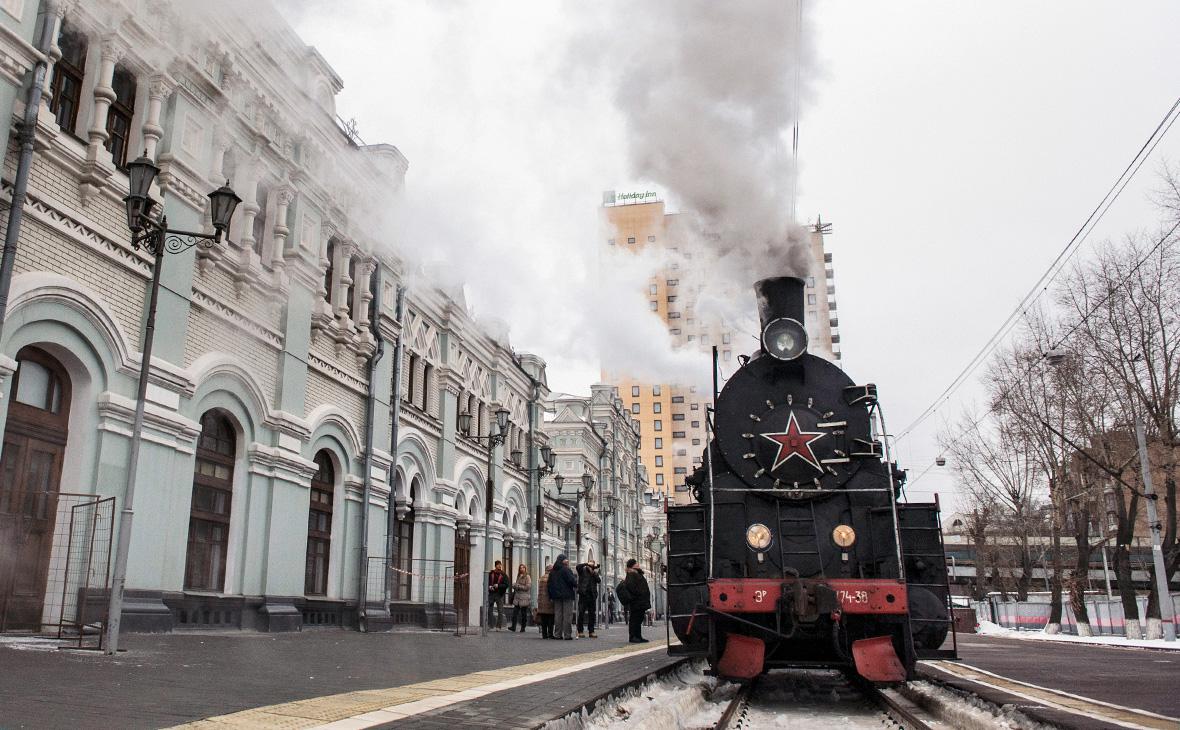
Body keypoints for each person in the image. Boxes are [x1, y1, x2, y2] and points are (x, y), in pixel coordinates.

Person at [619, 558, 651, 643]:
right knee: (635, 619)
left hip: (641, 601)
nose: (638, 564)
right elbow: (631, 586)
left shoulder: (637, 573)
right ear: (632, 565)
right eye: (636, 563)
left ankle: (638, 636)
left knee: (639, 618)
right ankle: (633, 637)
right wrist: (639, 593)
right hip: (636, 601)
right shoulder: (631, 574)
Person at [547, 554, 578, 640]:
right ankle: (567, 635)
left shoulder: (552, 571)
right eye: (566, 559)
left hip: (556, 596)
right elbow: (572, 580)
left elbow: (549, 584)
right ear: (563, 561)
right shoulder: (566, 570)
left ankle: (557, 634)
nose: (567, 561)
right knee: (567, 615)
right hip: (567, 595)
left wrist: (551, 595)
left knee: (558, 615)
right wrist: (576, 584)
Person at [575, 560, 601, 638]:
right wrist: (586, 564)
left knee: (592, 614)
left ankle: (591, 631)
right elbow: (577, 567)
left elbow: (599, 580)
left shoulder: (594, 573)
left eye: (592, 565)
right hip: (583, 595)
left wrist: (593, 572)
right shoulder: (582, 570)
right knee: (581, 613)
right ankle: (580, 631)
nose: (591, 567)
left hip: (592, 595)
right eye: (590, 565)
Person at [487, 560, 509, 631]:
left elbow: (506, 585)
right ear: (495, 565)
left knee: (500, 610)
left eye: (500, 565)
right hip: (491, 593)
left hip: (499, 594)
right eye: (498, 564)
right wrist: (489, 586)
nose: (499, 566)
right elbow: (487, 581)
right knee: (489, 610)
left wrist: (498, 585)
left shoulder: (503, 574)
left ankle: (498, 626)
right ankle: (490, 625)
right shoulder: (491, 573)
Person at [509, 564, 532, 632]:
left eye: (523, 568)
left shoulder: (527, 577)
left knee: (523, 613)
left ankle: (523, 628)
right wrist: (514, 585)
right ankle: (513, 627)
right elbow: (517, 585)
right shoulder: (518, 576)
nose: (521, 569)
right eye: (520, 568)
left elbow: (528, 587)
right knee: (515, 613)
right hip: (517, 597)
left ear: (525, 569)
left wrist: (518, 586)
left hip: (524, 598)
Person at [536, 563, 555, 639]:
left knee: (544, 619)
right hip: (549, 601)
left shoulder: (542, 577)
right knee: (551, 618)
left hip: (541, 601)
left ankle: (544, 634)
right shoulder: (551, 578)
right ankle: (550, 634)